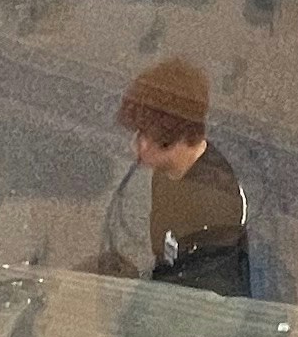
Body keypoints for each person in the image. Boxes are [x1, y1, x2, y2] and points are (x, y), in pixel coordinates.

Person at [101, 56, 260, 295]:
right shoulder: (166, 172)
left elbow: (207, 295)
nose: (136, 145)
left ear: (172, 139)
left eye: (144, 135)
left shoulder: (214, 207)